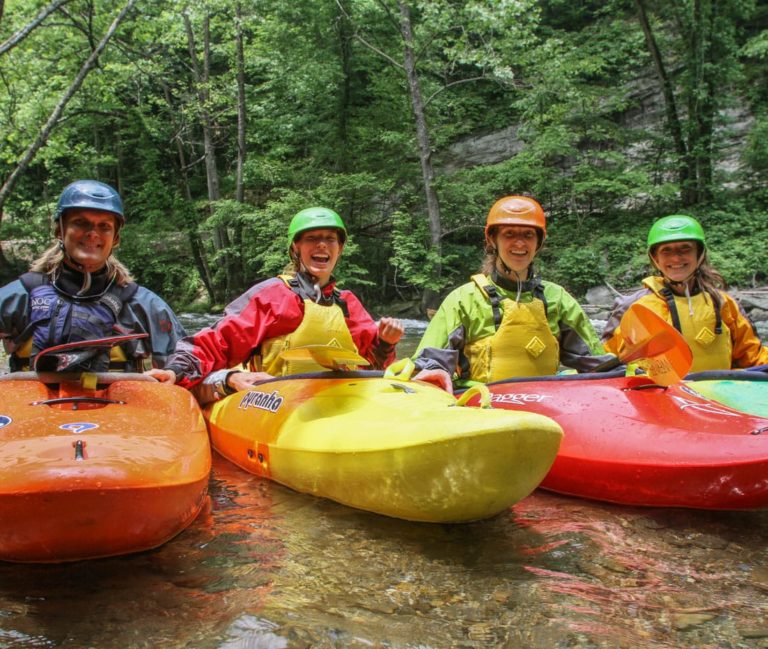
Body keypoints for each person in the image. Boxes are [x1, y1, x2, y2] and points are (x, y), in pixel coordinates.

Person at [148, 207, 403, 400]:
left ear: (340, 249)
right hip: (276, 399)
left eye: (330, 238)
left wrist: (385, 343)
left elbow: (376, 367)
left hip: (338, 399)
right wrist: (176, 371)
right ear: (296, 247)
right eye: (312, 238)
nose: (322, 244)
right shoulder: (273, 296)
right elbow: (216, 343)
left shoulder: (347, 303)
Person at [412, 195, 613, 392]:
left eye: (528, 235)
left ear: (539, 242)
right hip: (482, 407)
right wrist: (435, 370)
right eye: (509, 234)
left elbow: (597, 363)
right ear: (492, 239)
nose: (519, 244)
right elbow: (430, 360)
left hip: (545, 407)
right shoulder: (464, 300)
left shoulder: (558, 298)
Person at [0, 180, 185, 373]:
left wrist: (173, 374)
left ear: (115, 238)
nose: (92, 234)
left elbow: (182, 364)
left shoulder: (144, 306)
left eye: (104, 226)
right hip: (29, 401)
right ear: (59, 231)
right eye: (81, 222)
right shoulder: (20, 297)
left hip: (119, 402)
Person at [603, 214, 768, 372]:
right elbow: (608, 363)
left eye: (685, 249)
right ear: (655, 258)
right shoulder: (633, 307)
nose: (676, 258)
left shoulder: (724, 303)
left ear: (699, 253)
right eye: (666, 250)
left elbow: (753, 358)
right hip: (658, 398)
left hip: (717, 396)